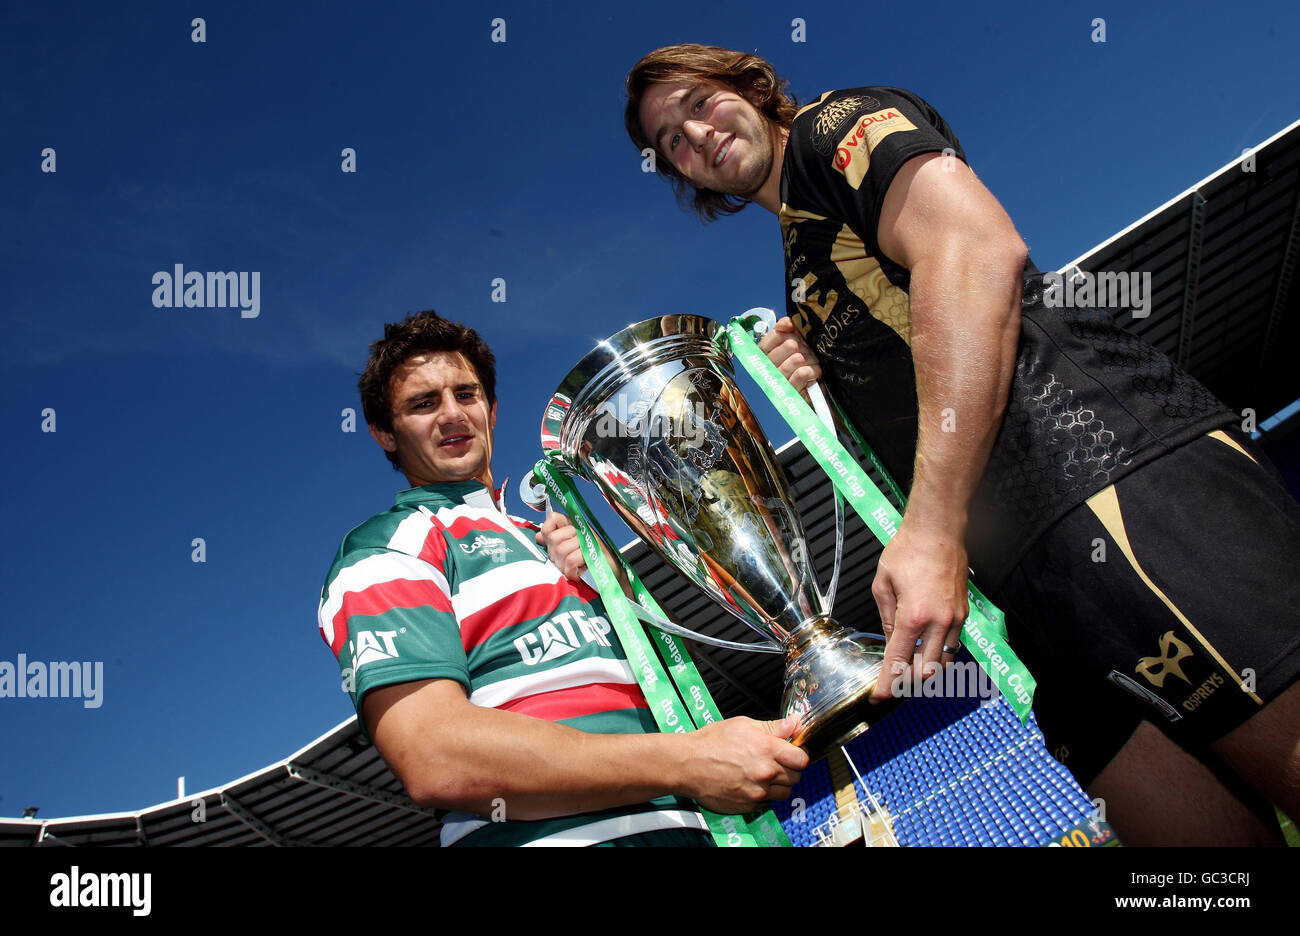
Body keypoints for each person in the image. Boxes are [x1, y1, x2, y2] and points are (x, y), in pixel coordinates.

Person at [618, 43, 1300, 845]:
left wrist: (934, 524)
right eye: (669, 143)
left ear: (751, 86)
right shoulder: (799, 255)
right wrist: (830, 367)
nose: (692, 136)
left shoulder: (835, 126)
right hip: (1024, 577)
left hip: (1110, 480)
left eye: (699, 103)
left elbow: (976, 252)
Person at [316, 309, 807, 846]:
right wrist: (687, 762)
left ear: (493, 408)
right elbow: (438, 756)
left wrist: (616, 590)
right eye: (423, 403)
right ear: (385, 433)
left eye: (466, 394)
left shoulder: (558, 536)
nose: (451, 414)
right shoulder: (391, 545)